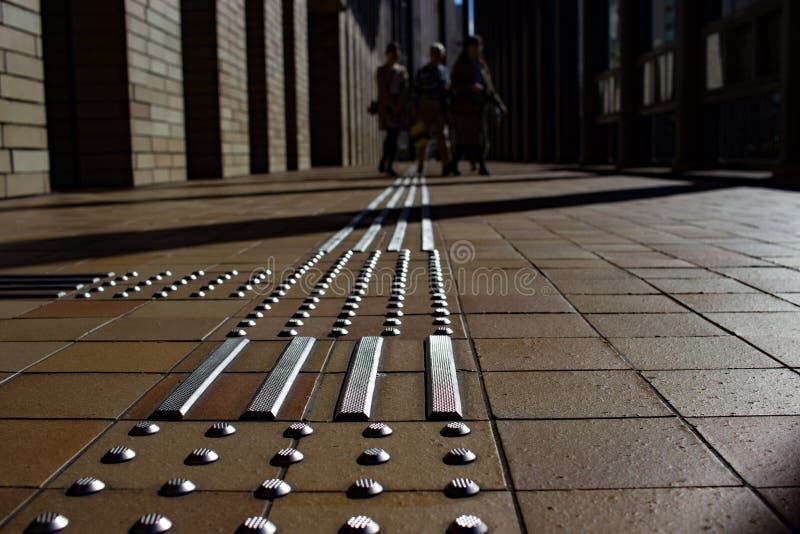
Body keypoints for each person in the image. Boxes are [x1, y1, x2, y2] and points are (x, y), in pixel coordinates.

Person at [445, 35, 507, 176]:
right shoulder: (461, 65)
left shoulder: (482, 65)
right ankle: (462, 164)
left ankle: (473, 165)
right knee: (466, 140)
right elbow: (454, 87)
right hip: (464, 109)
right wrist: (469, 87)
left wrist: (499, 104)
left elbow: (490, 88)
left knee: (480, 139)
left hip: (479, 109)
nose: (477, 49)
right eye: (474, 47)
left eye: (479, 47)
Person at [412, 42, 451, 175]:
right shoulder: (423, 71)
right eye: (434, 53)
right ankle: (421, 163)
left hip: (440, 106)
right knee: (422, 137)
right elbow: (416, 90)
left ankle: (446, 164)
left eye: (439, 54)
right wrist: (416, 108)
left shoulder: (444, 71)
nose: (437, 56)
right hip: (425, 105)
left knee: (443, 136)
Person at [376, 42, 408, 176]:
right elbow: (382, 89)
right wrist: (390, 104)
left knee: (394, 136)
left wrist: (399, 104)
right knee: (390, 135)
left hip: (398, 105)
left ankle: (388, 162)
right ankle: (385, 160)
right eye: (393, 53)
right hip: (388, 106)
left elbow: (405, 88)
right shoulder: (382, 70)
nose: (395, 56)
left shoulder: (402, 70)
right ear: (388, 54)